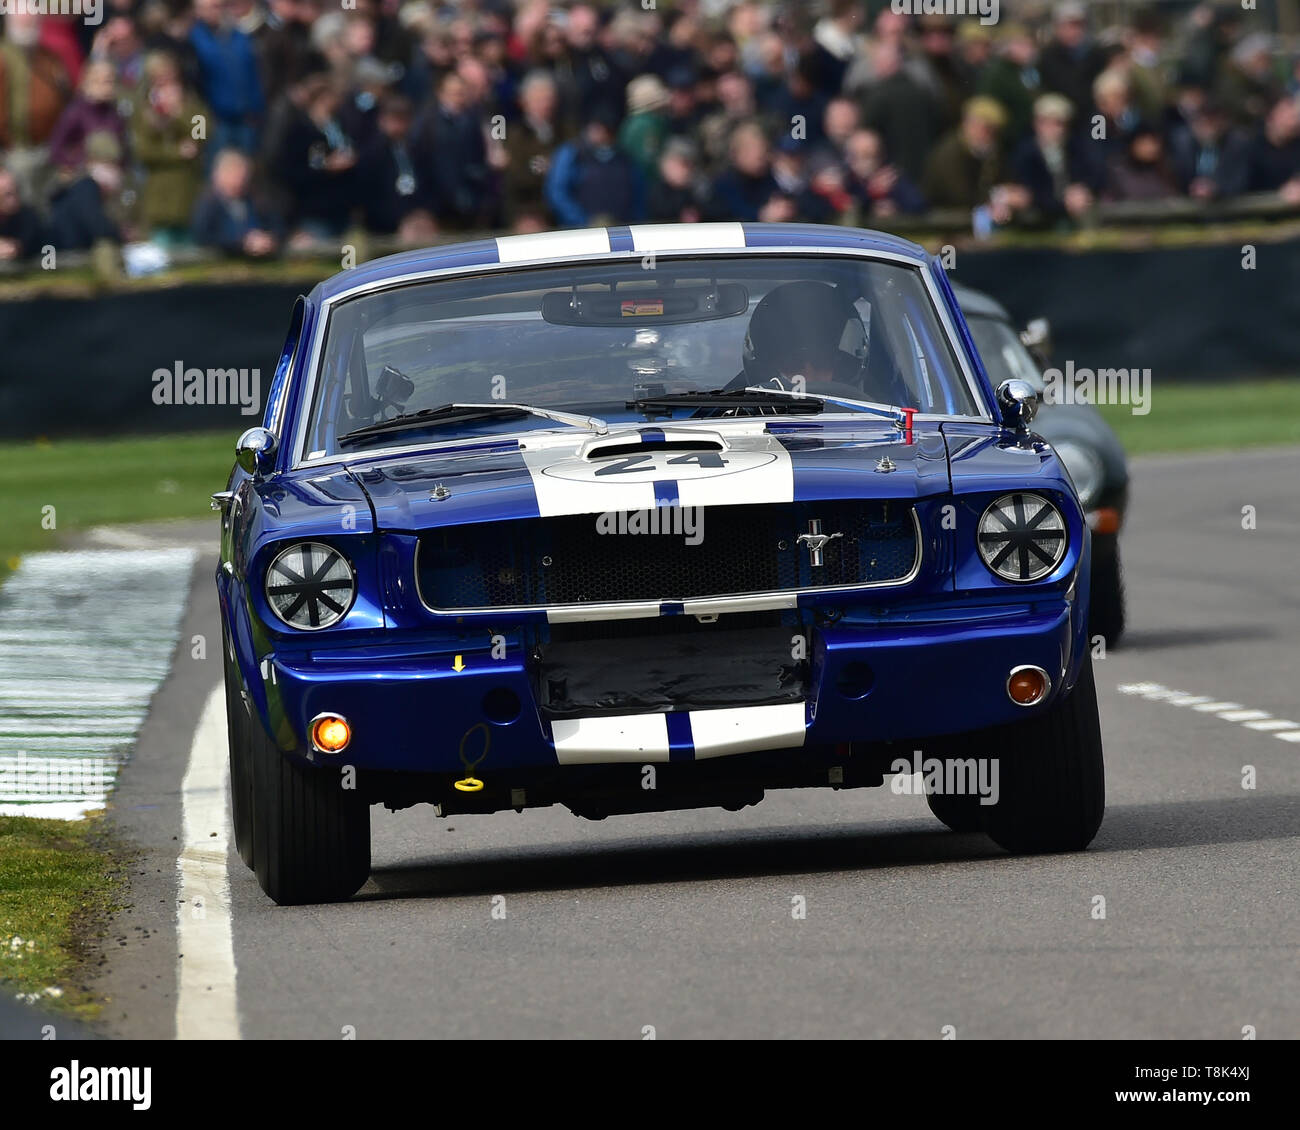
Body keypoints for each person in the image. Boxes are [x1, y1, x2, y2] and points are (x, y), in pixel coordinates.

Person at [132, 51, 208, 242]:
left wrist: (178, 113)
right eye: (159, 80)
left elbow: (201, 133)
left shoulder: (191, 105)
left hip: (189, 189)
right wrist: (177, 152)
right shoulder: (144, 112)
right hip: (160, 194)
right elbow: (143, 151)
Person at [544, 110, 644, 227]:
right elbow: (557, 192)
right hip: (579, 230)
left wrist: (634, 223)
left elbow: (638, 195)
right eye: (596, 128)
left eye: (605, 130)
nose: (600, 134)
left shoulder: (624, 157)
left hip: (620, 227)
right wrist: (582, 221)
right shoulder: (572, 153)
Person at [190, 0, 265, 154]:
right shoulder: (194, 40)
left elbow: (252, 75)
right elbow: (195, 87)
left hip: (246, 117)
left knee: (245, 167)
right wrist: (199, 128)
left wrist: (256, 108)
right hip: (215, 119)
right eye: (205, 8)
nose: (212, 12)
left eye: (216, 6)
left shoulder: (239, 36)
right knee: (216, 168)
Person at [191, 147, 280, 256]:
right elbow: (202, 236)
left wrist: (269, 239)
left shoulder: (256, 201)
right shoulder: (208, 205)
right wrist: (242, 243)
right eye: (234, 174)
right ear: (219, 175)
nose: (240, 180)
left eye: (243, 175)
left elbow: (276, 227)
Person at [0, 167, 47, 261]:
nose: (14, 199)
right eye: (7, 195)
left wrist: (12, 248)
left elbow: (18, 248)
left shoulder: (28, 216)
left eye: (16, 191)